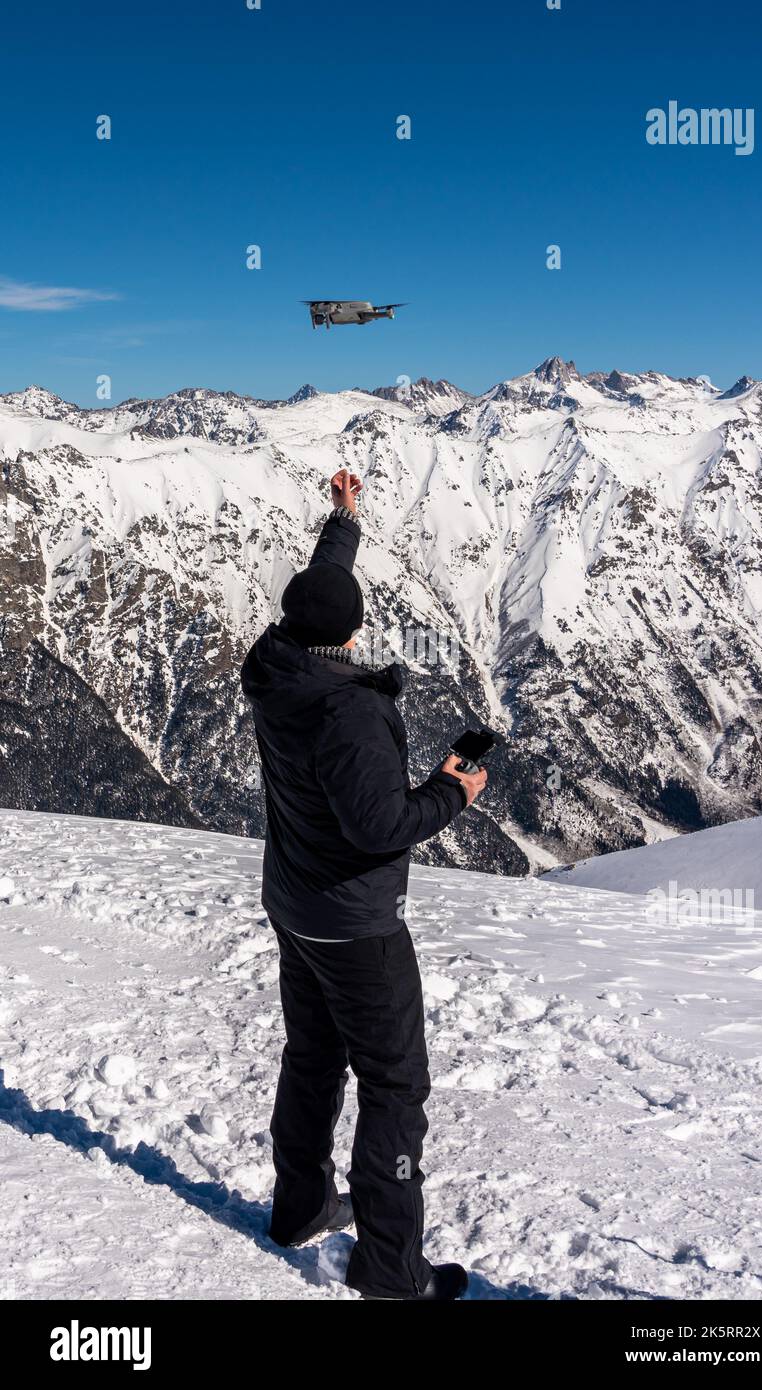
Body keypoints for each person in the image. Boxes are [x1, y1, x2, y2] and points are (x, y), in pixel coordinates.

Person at [240, 468, 487, 1300]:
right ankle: (389, 1268)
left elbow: (318, 597)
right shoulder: (346, 714)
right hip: (356, 925)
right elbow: (381, 826)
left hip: (295, 905)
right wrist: (454, 790)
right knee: (394, 1083)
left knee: (313, 1053)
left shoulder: (274, 663)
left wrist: (342, 523)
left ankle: (301, 1203)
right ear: (350, 636)